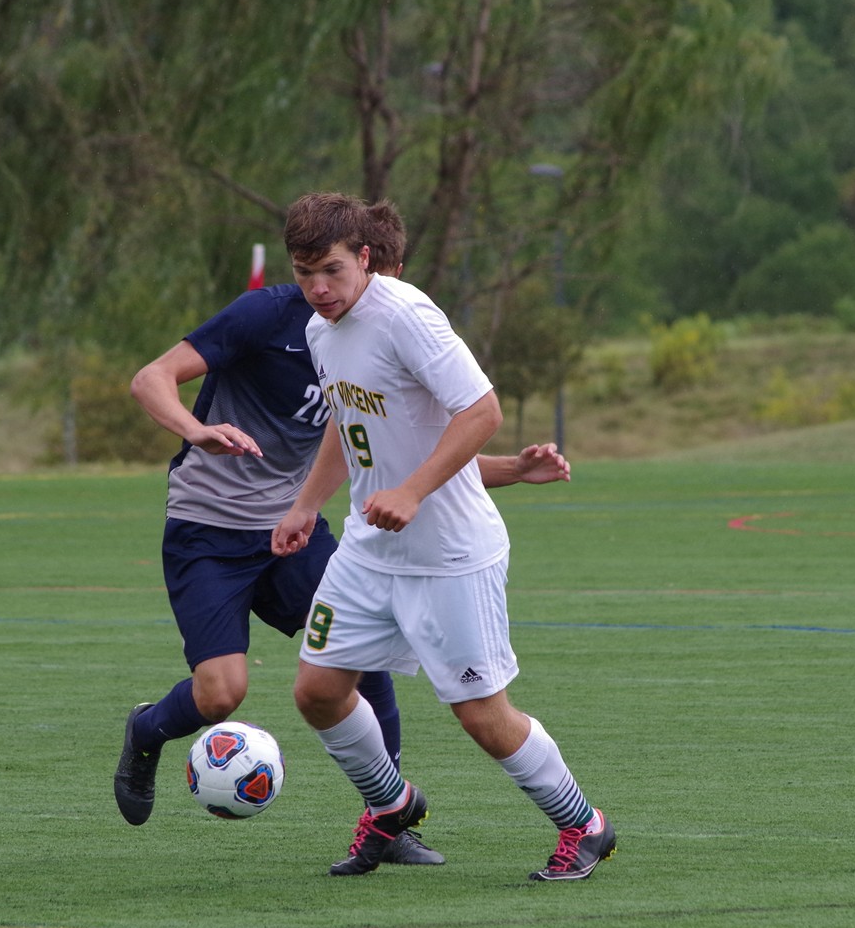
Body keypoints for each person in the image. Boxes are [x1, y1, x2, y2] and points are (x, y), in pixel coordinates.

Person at [113, 196, 569, 868]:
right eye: (311, 274)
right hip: (209, 526)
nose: (332, 291)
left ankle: (388, 815)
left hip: (293, 524)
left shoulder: (383, 326)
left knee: (353, 661)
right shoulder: (271, 317)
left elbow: (393, 450)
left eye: (357, 277)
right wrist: (196, 430)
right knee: (221, 693)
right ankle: (147, 728)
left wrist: (508, 471)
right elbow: (151, 378)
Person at [272, 191, 613, 880]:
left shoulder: (406, 315)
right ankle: (391, 804)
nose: (318, 288)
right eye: (305, 273)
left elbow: (480, 409)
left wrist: (414, 490)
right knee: (317, 689)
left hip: (450, 555)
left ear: (365, 257)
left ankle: (585, 823)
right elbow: (349, 424)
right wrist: (307, 504)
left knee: (482, 716)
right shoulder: (319, 330)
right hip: (371, 549)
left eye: (332, 270)